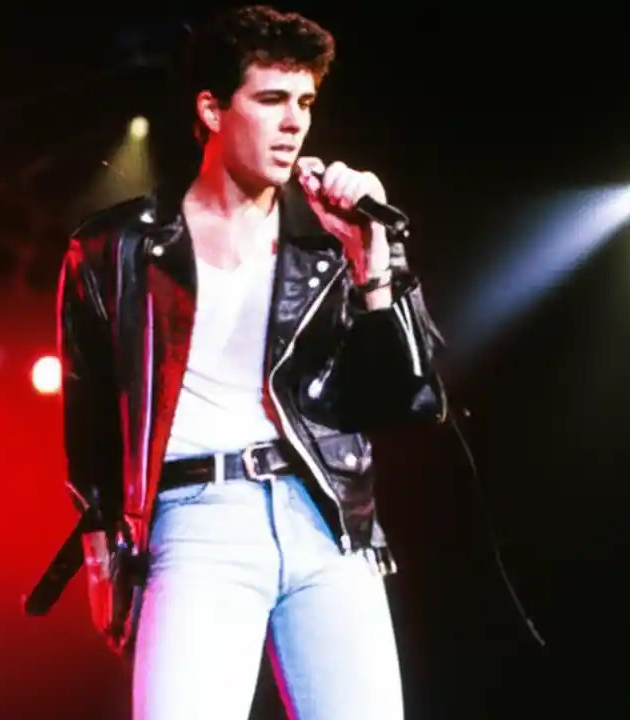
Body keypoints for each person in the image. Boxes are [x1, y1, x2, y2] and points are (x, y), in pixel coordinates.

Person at [27, 5, 447, 719]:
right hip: (198, 521)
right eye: (272, 100)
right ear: (213, 108)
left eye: (306, 102)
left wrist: (374, 271)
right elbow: (91, 420)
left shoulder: (333, 240)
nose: (295, 123)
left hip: (326, 525)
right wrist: (103, 554)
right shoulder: (116, 247)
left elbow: (411, 402)